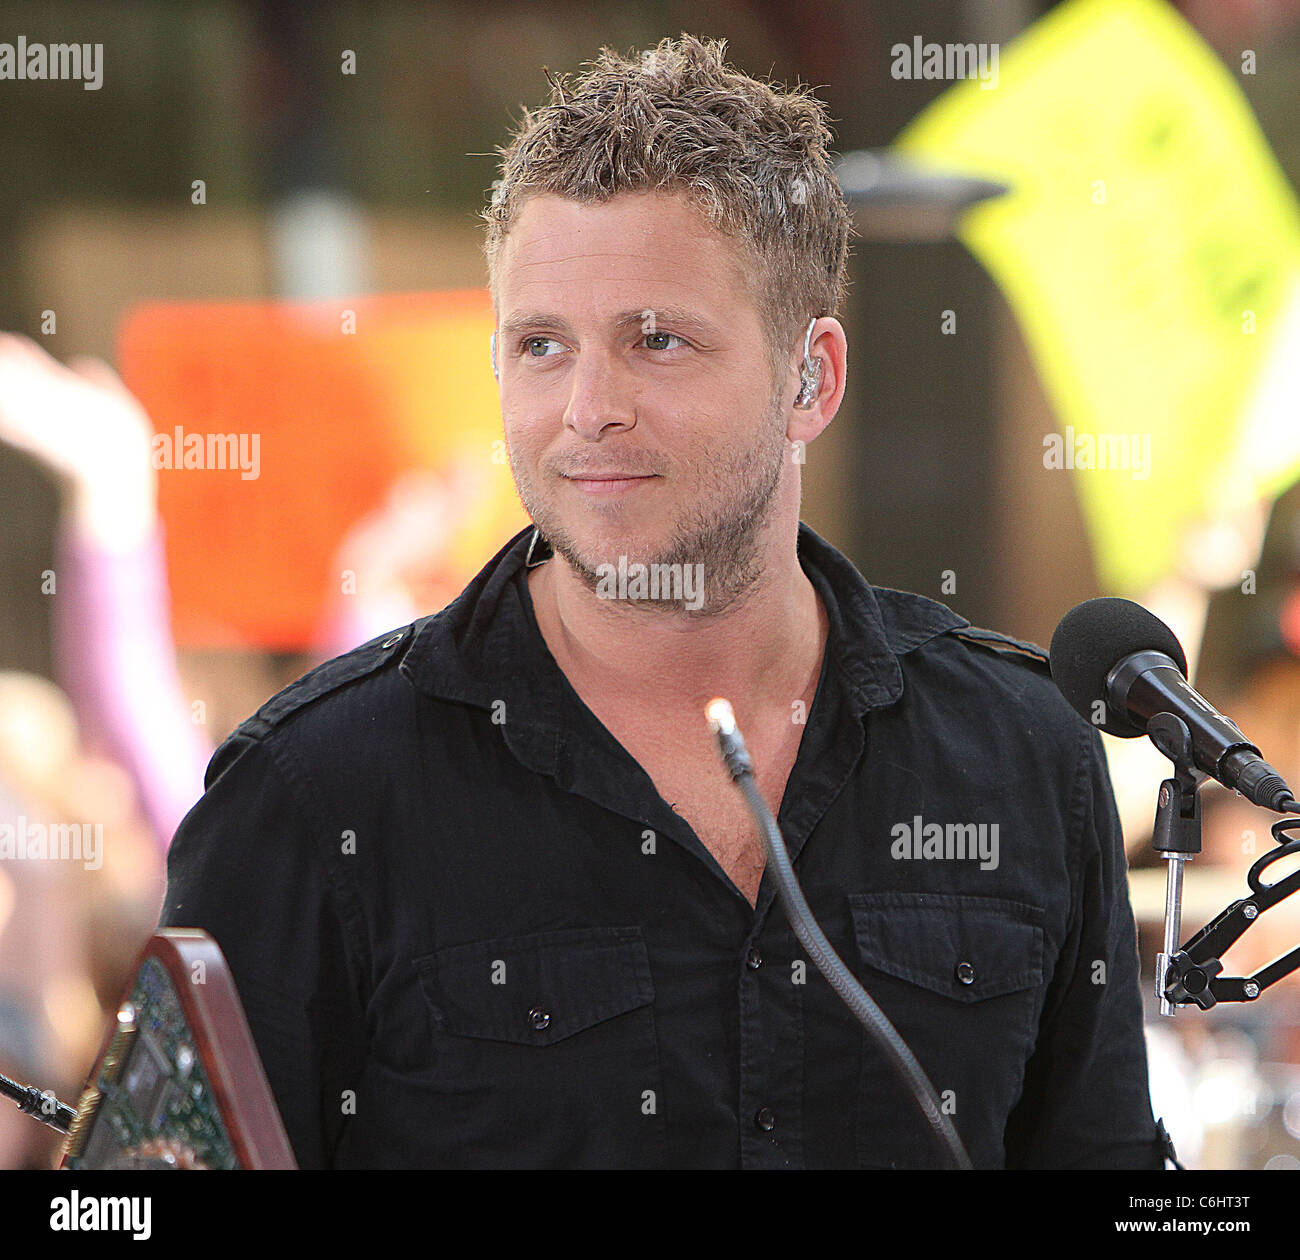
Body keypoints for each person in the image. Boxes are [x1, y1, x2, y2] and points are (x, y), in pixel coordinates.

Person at [159, 34, 1166, 1169]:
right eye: (540, 345)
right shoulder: (312, 794)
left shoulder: (1023, 753)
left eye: (656, 341)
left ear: (811, 377)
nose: (587, 407)